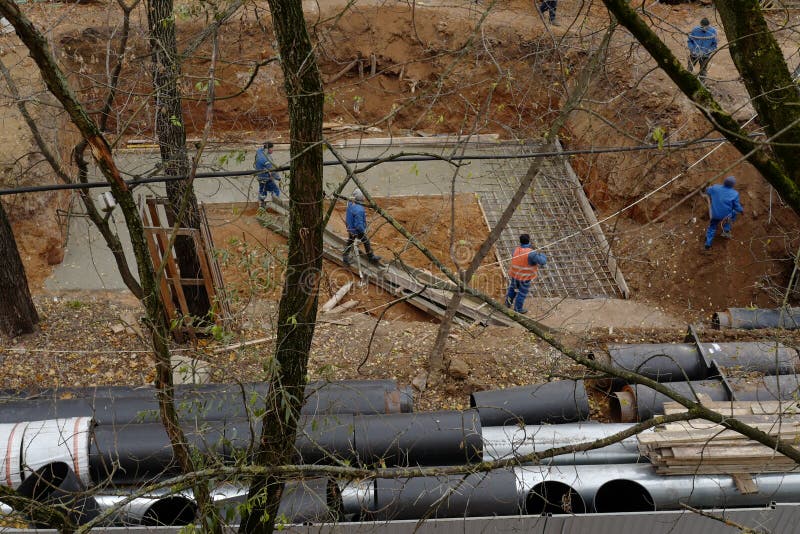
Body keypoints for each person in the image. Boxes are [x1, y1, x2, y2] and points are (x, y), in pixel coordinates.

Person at [505, 234, 547, 314]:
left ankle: (507, 304)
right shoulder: (531, 253)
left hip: (514, 275)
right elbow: (543, 262)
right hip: (525, 278)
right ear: (529, 240)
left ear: (520, 241)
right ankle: (518, 309)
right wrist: (541, 254)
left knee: (512, 290)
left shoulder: (515, 250)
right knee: (522, 293)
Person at [704, 176, 744, 250]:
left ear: (724, 182)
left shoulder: (715, 188)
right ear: (733, 185)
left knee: (712, 227)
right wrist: (742, 210)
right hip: (725, 216)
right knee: (734, 213)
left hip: (714, 214)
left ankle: (707, 244)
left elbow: (707, 190)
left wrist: (708, 187)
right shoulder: (734, 194)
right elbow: (737, 207)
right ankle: (726, 230)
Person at [343, 189, 381, 265]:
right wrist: (363, 230)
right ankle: (371, 256)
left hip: (350, 227)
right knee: (366, 241)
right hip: (356, 230)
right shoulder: (359, 210)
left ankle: (345, 257)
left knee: (350, 241)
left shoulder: (350, 203)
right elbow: (359, 225)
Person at [255, 141, 281, 206]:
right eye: (271, 148)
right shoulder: (266, 160)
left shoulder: (259, 152)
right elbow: (272, 170)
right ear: (267, 149)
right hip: (266, 178)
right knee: (276, 190)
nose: (273, 150)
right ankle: (276, 204)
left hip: (260, 177)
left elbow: (259, 149)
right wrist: (278, 178)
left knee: (262, 192)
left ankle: (261, 205)